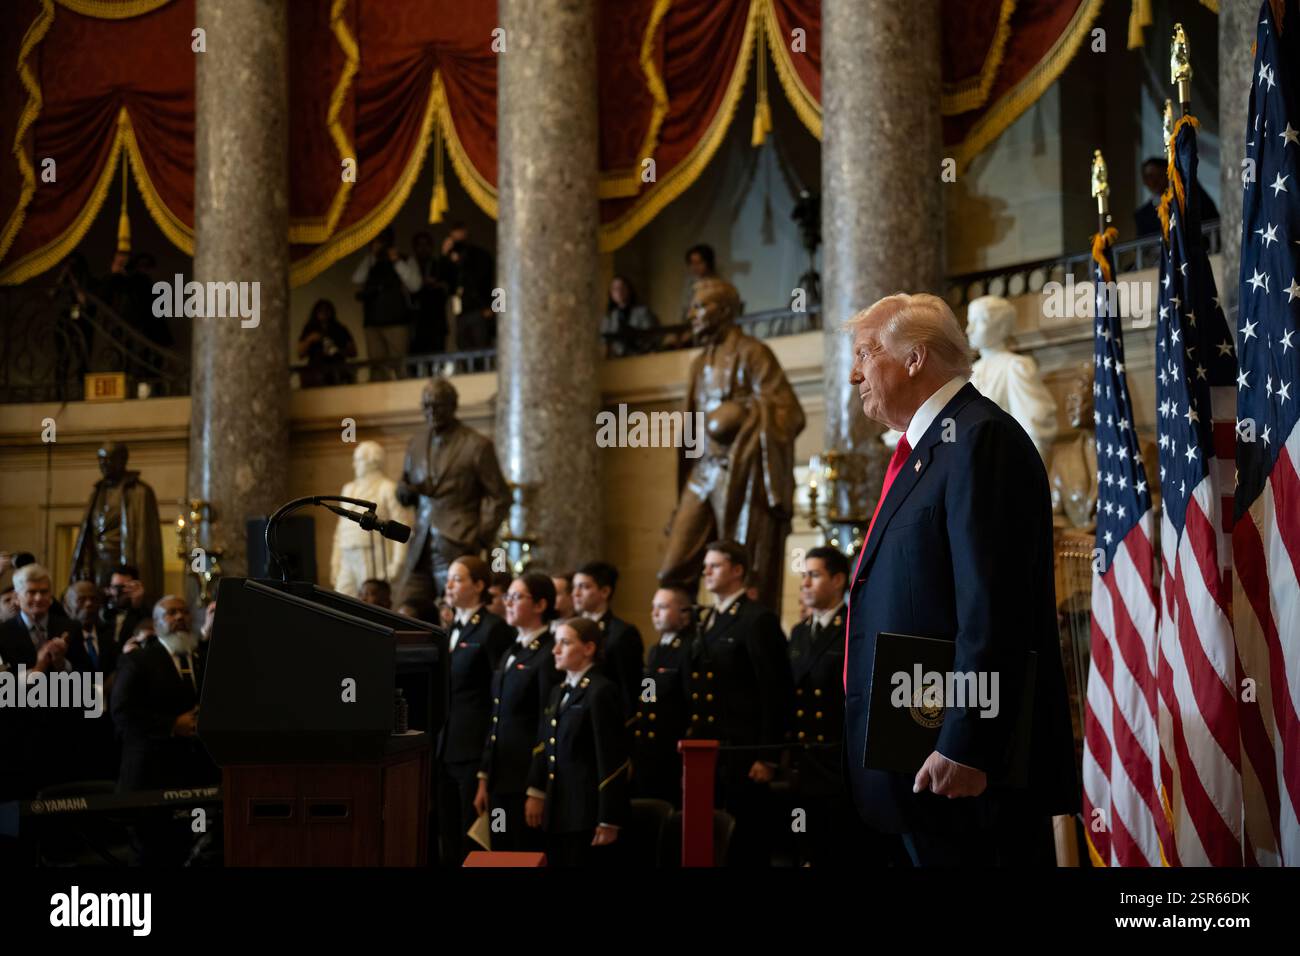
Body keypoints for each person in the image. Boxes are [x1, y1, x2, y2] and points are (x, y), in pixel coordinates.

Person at [842, 292, 1078, 866]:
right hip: (912, 759)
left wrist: (967, 744)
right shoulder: (930, 450)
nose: (853, 376)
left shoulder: (979, 439)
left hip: (960, 773)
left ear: (916, 358)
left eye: (867, 354)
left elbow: (992, 609)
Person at [658, 278, 805, 611]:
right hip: (702, 472)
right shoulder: (699, 363)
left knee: (741, 562)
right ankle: (684, 636)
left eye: (701, 306)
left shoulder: (753, 353)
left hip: (737, 468)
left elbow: (790, 412)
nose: (692, 313)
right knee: (674, 565)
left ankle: (737, 635)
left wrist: (744, 412)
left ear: (724, 311)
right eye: (692, 306)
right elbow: (692, 427)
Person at [685, 541, 792, 865]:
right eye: (706, 566)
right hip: (710, 749)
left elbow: (775, 691)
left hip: (744, 750)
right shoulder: (709, 620)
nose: (706, 572)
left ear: (737, 570)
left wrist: (768, 756)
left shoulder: (757, 620)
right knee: (712, 839)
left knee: (746, 842)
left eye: (714, 565)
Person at [785, 546, 872, 867]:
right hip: (803, 761)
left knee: (839, 847)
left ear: (838, 580)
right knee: (803, 838)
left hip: (837, 761)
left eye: (814, 574)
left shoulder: (854, 627)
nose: (805, 583)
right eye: (803, 575)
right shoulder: (797, 633)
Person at [524, 616, 629, 866]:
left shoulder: (600, 690)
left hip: (586, 813)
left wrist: (608, 818)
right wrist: (536, 790)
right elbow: (544, 744)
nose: (555, 650)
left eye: (565, 643)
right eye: (556, 642)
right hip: (558, 807)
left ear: (589, 648)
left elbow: (611, 757)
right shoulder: (559, 691)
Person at [395, 378, 510, 604]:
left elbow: (501, 497)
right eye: (426, 405)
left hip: (459, 542)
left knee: (454, 610)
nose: (431, 411)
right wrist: (403, 491)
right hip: (420, 545)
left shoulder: (476, 445)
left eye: (437, 405)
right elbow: (404, 486)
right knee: (407, 608)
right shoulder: (416, 444)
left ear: (453, 405)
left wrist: (479, 536)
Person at [473, 572, 562, 852]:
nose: (507, 603)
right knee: (499, 850)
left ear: (540, 605)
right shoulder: (511, 651)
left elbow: (547, 723)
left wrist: (537, 788)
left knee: (522, 851)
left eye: (516, 597)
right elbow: (496, 716)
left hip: (525, 780)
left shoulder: (548, 654)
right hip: (500, 778)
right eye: (506, 596)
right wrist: (484, 776)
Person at [437, 556, 513, 864]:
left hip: (474, 746)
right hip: (445, 746)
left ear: (479, 585)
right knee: (448, 836)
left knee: (474, 837)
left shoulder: (494, 630)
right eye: (449, 578)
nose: (449, 584)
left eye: (458, 579)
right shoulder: (449, 628)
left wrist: (487, 755)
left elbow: (500, 695)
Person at [0, 564, 75, 799]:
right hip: (17, 737)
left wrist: (61, 662)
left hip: (61, 734)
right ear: (17, 596)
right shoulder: (3, 633)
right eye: (31, 592)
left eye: (44, 592)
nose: (38, 598)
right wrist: (40, 666)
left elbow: (87, 681)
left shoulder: (69, 628)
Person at [70, 442, 164, 603]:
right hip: (98, 563)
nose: (103, 464)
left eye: (108, 459)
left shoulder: (140, 492)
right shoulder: (97, 492)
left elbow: (149, 540)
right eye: (100, 459)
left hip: (125, 562)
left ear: (122, 460)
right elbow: (89, 534)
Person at [632, 585, 694, 806]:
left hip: (671, 749)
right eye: (653, 607)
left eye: (663, 607)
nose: (654, 613)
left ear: (684, 613)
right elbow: (649, 694)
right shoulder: (656, 650)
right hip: (650, 748)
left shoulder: (689, 648)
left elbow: (690, 702)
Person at [330, 441, 409, 597]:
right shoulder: (348, 488)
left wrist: (398, 563)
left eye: (357, 460)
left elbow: (403, 525)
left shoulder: (387, 488)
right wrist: (335, 562)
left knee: (372, 601)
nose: (354, 465)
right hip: (347, 556)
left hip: (374, 555)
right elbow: (340, 531)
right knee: (341, 599)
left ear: (372, 461)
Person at [572, 561, 644, 720]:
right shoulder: (570, 630)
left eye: (584, 587)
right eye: (574, 587)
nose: (575, 593)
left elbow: (630, 688)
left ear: (604, 591)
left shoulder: (622, 633)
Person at [63, 580, 119, 780]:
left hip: (107, 728)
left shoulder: (109, 636)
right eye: (81, 600)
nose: (88, 604)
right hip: (71, 728)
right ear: (67, 605)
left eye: (93, 599)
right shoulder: (61, 639)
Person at [352, 226, 421, 378]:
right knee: (377, 368)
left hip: (397, 321)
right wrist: (372, 256)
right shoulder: (370, 261)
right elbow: (357, 279)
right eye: (376, 240)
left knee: (400, 366)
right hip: (373, 323)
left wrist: (396, 261)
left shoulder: (404, 259)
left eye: (383, 240)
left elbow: (415, 285)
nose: (380, 244)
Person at [438, 222, 496, 350]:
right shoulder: (449, 257)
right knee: (461, 345)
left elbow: (485, 281)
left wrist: (493, 307)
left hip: (478, 308)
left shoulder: (480, 255)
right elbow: (441, 278)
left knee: (480, 346)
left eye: (460, 237)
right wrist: (444, 255)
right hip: (457, 310)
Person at [1135, 155, 1218, 238]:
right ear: (1144, 181)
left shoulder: (1191, 195)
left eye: (1159, 175)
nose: (1154, 181)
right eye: (1149, 177)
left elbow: (1211, 219)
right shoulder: (1142, 216)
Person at [296, 298, 356, 388]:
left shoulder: (340, 329)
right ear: (316, 313)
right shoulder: (309, 329)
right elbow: (300, 354)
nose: (324, 313)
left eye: (326, 310)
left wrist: (339, 351)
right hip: (315, 370)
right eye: (321, 310)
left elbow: (353, 351)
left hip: (337, 368)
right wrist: (310, 340)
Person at [411, 231, 451, 357]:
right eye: (419, 245)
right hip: (415, 321)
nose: (423, 249)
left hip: (436, 319)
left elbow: (448, 288)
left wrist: (436, 285)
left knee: (437, 357)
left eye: (426, 245)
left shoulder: (438, 265)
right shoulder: (410, 266)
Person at [602, 276, 658, 357]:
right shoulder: (609, 317)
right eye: (615, 289)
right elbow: (604, 340)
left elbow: (651, 334)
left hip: (641, 354)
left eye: (622, 287)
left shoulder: (642, 312)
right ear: (611, 293)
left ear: (629, 290)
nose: (619, 291)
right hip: (618, 358)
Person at [101, 565, 147, 649]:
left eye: (128, 587)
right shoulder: (100, 612)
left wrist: (137, 604)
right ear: (107, 589)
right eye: (117, 587)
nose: (122, 591)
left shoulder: (144, 612)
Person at [679, 243, 718, 320]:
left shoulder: (717, 285)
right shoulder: (690, 284)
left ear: (708, 263)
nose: (695, 267)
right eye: (692, 263)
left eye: (699, 263)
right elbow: (684, 309)